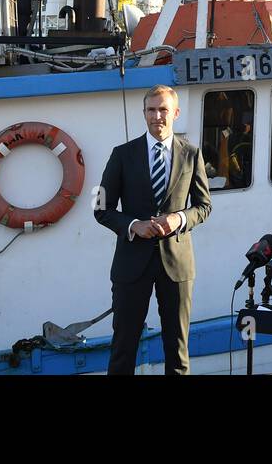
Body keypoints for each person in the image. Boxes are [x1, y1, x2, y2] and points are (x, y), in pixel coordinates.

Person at [94, 84, 212, 374]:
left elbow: (204, 206)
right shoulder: (121, 154)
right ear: (144, 113)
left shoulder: (191, 154)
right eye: (151, 110)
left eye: (163, 109)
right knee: (123, 348)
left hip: (177, 265)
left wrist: (179, 219)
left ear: (176, 113)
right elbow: (100, 208)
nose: (156, 116)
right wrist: (134, 225)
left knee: (178, 350)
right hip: (131, 265)